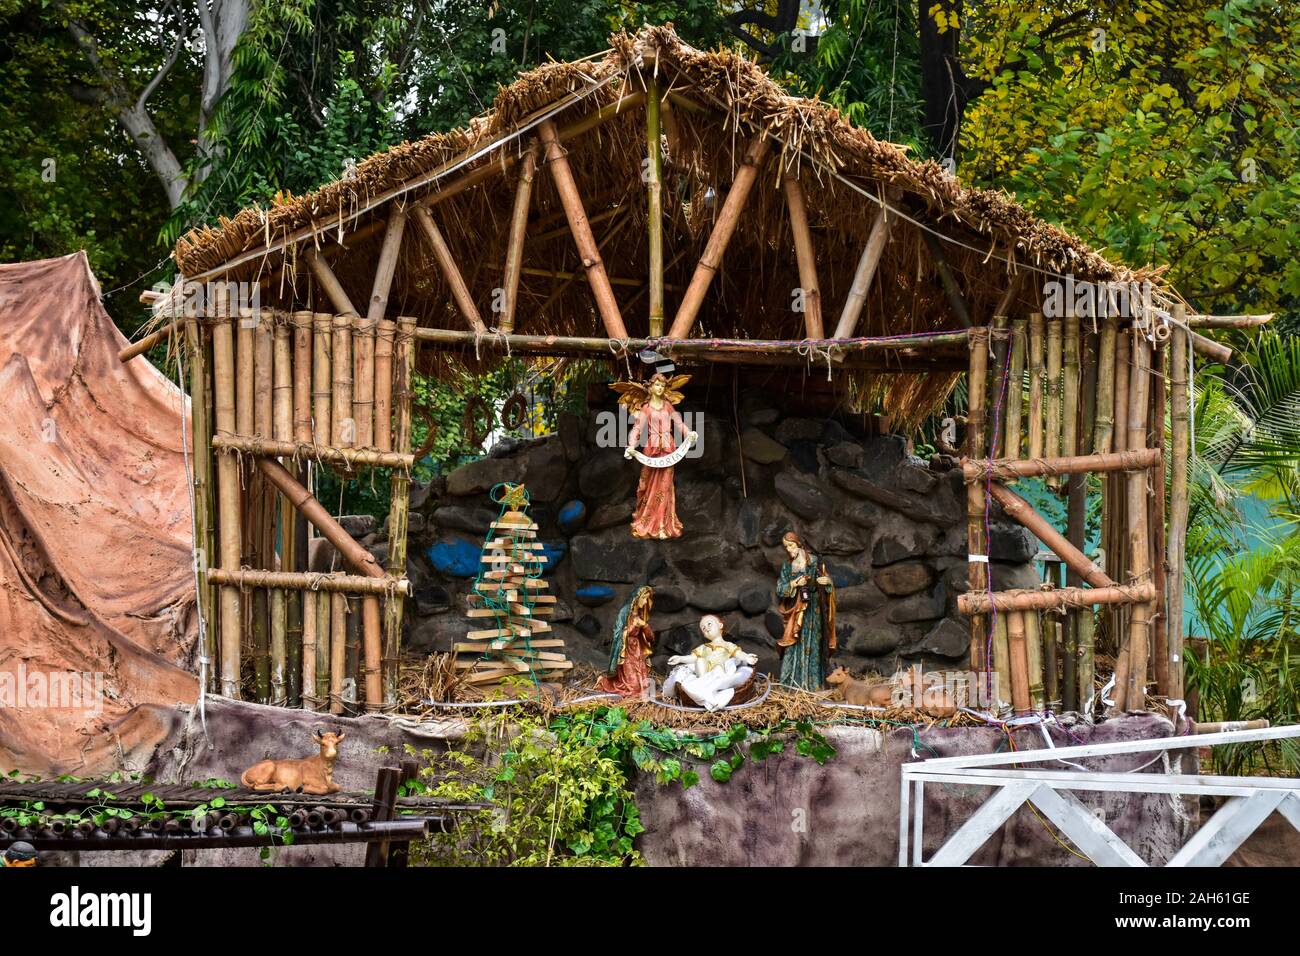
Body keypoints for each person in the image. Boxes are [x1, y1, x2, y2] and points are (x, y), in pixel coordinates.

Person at [616, 373, 696, 539]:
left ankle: (663, 525)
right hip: (651, 450)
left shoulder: (668, 406)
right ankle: (646, 521)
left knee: (665, 486)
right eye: (657, 385)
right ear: (650, 387)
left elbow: (679, 423)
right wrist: (631, 445)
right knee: (649, 485)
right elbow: (637, 429)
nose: (659, 388)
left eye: (662, 385)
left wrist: (689, 433)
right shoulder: (646, 408)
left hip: (668, 449)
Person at [776, 531, 836, 690]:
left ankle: (813, 686)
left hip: (814, 609)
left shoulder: (815, 561)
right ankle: (791, 686)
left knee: (815, 643)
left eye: (791, 545)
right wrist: (794, 584)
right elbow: (780, 589)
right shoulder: (787, 566)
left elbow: (828, 582)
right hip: (796, 610)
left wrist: (827, 582)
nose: (789, 549)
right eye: (786, 547)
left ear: (798, 543)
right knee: (793, 644)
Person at [664, 614, 758, 711]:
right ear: (704, 635)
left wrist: (747, 657)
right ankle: (702, 684)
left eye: (709, 624)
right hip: (705, 672)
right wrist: (680, 659)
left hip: (721, 671)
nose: (706, 628)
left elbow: (738, 654)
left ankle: (709, 690)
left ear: (720, 625)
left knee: (718, 668)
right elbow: (692, 658)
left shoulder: (728, 645)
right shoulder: (703, 647)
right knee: (700, 660)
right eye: (703, 628)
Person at [597, 586, 656, 698]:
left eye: (646, 599)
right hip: (626, 651)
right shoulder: (625, 612)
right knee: (634, 689)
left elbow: (651, 638)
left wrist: (644, 625)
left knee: (645, 686)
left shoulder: (640, 614)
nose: (644, 603)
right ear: (637, 598)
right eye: (643, 598)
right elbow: (617, 633)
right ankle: (604, 682)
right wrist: (633, 626)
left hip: (637, 651)